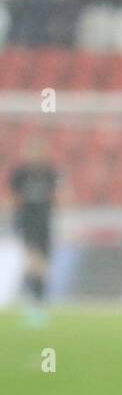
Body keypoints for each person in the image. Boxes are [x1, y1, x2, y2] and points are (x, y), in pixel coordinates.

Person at [10, 136, 59, 323]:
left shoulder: (50, 172)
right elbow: (13, 197)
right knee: (35, 260)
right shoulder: (20, 173)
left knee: (43, 264)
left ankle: (37, 301)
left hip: (45, 222)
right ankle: (35, 303)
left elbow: (57, 196)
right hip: (27, 222)